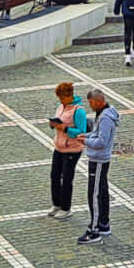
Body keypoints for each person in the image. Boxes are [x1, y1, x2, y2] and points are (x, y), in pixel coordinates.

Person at [78, 88, 119, 244]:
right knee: (101, 192)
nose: (91, 106)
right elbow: (97, 133)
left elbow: (101, 141)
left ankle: (94, 231)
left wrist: (85, 141)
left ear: (98, 101)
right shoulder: (102, 114)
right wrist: (87, 136)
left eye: (91, 103)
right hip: (99, 159)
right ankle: (104, 224)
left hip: (99, 160)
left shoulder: (105, 118)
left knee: (94, 194)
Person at [47, 80, 89, 218]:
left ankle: (66, 208)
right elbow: (58, 121)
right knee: (54, 176)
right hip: (59, 147)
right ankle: (56, 204)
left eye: (63, 98)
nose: (61, 101)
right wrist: (53, 124)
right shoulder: (61, 107)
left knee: (66, 178)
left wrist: (64, 128)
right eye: (59, 98)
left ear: (70, 95)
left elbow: (81, 131)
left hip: (72, 149)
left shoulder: (79, 111)